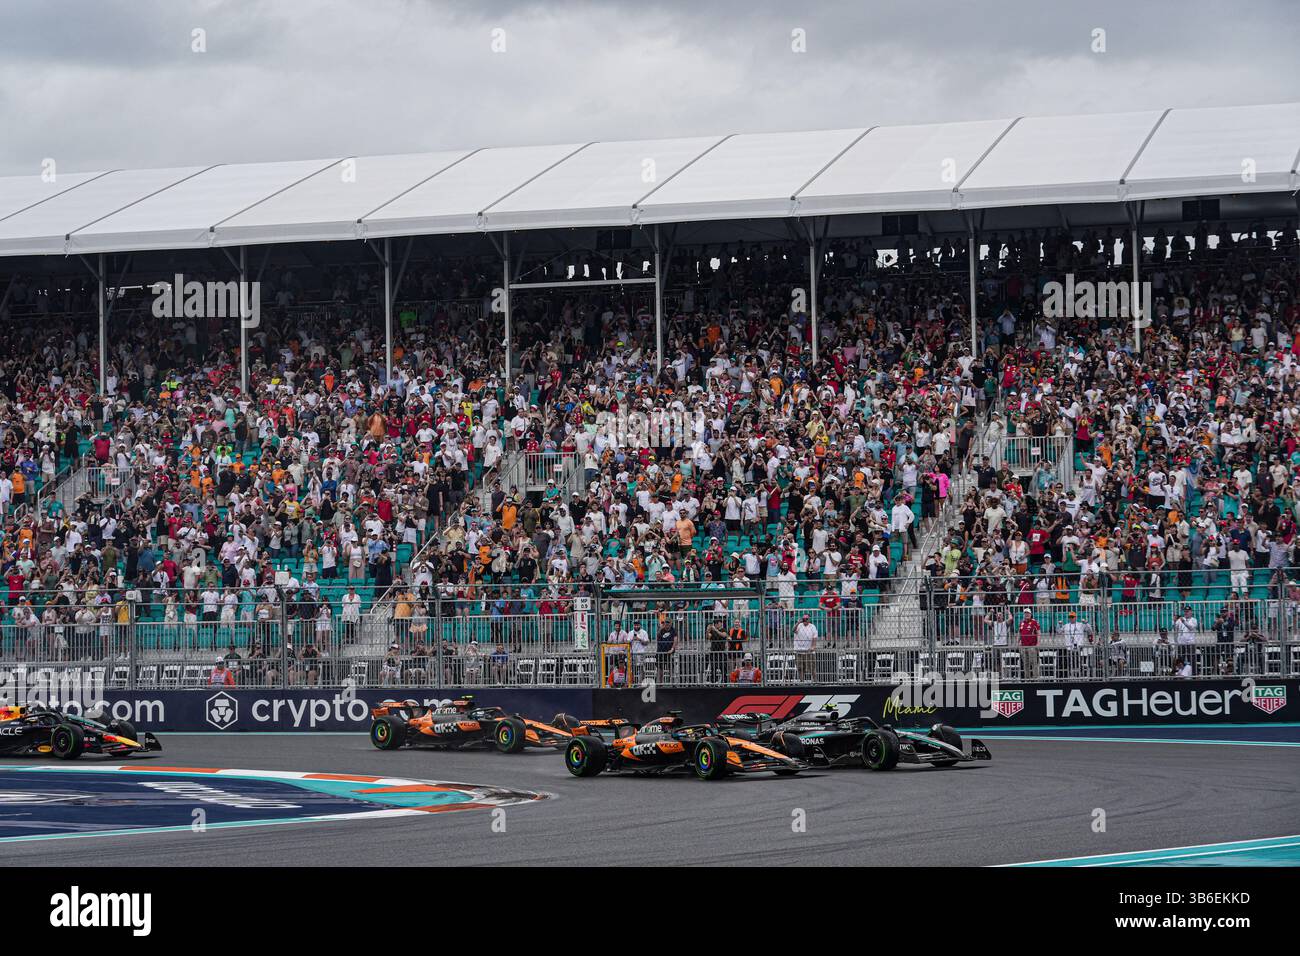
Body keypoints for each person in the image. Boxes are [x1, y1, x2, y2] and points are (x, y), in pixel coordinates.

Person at [793, 613, 817, 681]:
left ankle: (815, 682)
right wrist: (798, 622)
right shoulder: (799, 625)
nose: (805, 620)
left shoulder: (812, 626)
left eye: (806, 619)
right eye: (804, 619)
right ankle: (802, 681)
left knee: (812, 668)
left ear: (809, 619)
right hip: (798, 650)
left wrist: (813, 646)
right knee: (800, 668)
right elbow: (793, 630)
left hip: (809, 651)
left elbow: (814, 637)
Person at [1017, 609, 1040, 679]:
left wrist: (1038, 643)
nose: (1026, 614)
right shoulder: (1021, 623)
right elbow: (1019, 633)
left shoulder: (1034, 622)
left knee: (1033, 663)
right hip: (1023, 646)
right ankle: (1027, 679)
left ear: (1031, 614)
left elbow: (1038, 633)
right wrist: (1018, 642)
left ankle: (1035, 679)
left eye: (1028, 613)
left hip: (1032, 646)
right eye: (1025, 613)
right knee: (1025, 664)